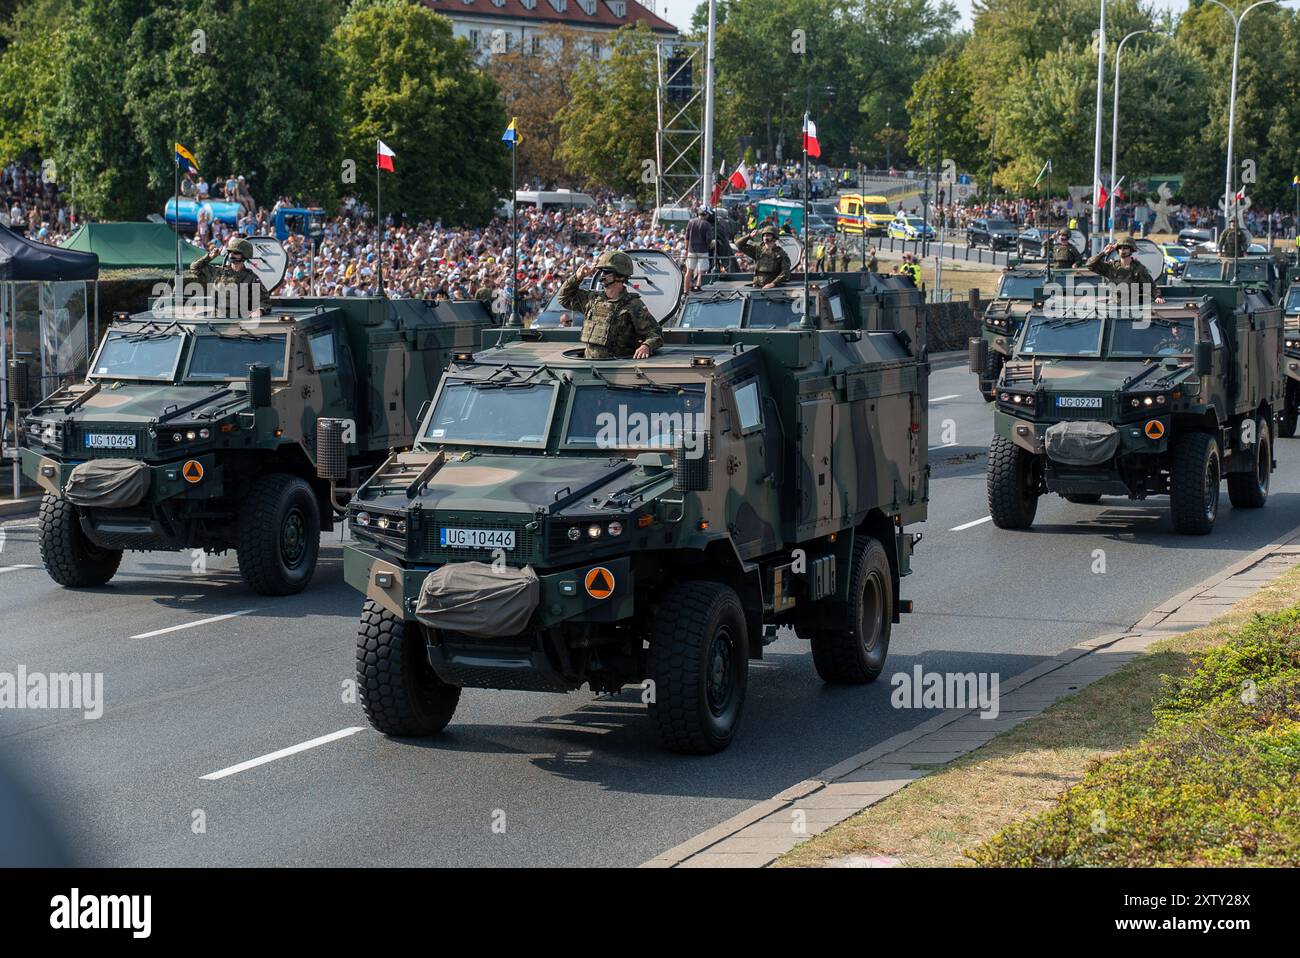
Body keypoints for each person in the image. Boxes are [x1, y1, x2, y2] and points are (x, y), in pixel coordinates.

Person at [558, 250, 661, 360]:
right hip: (588, 364)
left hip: (615, 366)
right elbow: (563, 298)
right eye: (601, 271)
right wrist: (577, 278)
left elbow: (655, 334)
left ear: (620, 276)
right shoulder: (593, 299)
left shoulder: (633, 305)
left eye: (607, 272)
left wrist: (646, 346)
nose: (602, 275)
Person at [192, 236, 270, 317]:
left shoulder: (251, 278)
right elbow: (195, 268)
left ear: (245, 255)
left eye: (236, 253)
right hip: (217, 320)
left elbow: (264, 300)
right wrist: (209, 257)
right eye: (230, 252)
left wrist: (260, 310)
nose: (231, 255)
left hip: (239, 320)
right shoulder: (218, 272)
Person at [1086, 233, 1163, 304]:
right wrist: (1103, 253)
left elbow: (1149, 285)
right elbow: (1090, 265)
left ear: (1131, 250)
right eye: (1120, 248)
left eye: (1125, 248)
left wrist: (1157, 297)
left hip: (1131, 306)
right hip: (1113, 304)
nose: (1122, 250)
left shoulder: (1138, 269)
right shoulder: (1111, 267)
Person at [685, 208, 714, 291]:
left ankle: (686, 290)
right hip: (703, 251)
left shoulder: (691, 222)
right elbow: (708, 240)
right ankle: (698, 288)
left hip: (691, 250)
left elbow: (686, 237)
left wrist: (686, 249)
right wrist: (710, 245)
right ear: (706, 215)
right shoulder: (707, 224)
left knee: (689, 271)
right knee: (701, 272)